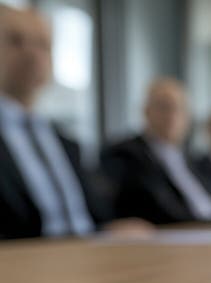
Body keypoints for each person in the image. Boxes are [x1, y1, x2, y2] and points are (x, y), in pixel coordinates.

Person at [0, 6, 149, 239]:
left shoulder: (65, 142)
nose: (32, 53)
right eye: (15, 40)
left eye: (43, 45)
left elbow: (90, 218)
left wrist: (109, 230)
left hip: (86, 259)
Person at [102, 77, 211, 224]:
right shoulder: (126, 154)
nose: (172, 116)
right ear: (146, 111)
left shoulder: (192, 160)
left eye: (180, 108)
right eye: (164, 107)